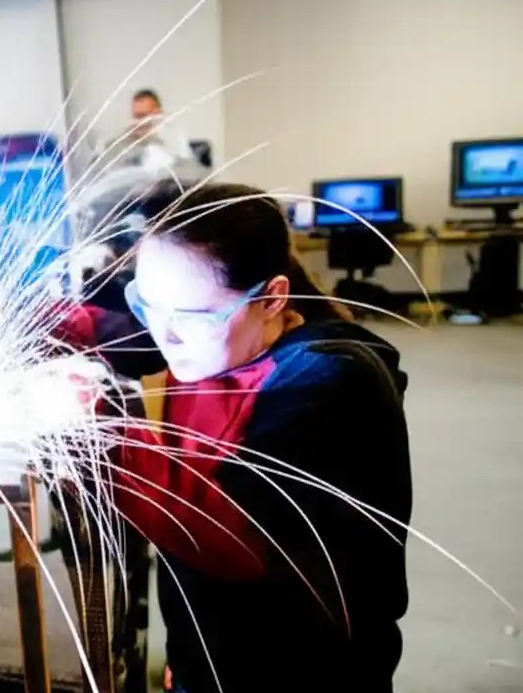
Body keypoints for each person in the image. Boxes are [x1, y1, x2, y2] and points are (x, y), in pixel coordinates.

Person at [61, 181, 412, 692]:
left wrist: (100, 435)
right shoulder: (209, 336)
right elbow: (126, 334)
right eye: (148, 305)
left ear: (271, 298)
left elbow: (238, 538)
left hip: (305, 674)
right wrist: (45, 320)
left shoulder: (334, 380)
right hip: (205, 657)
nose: (165, 334)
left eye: (189, 316)